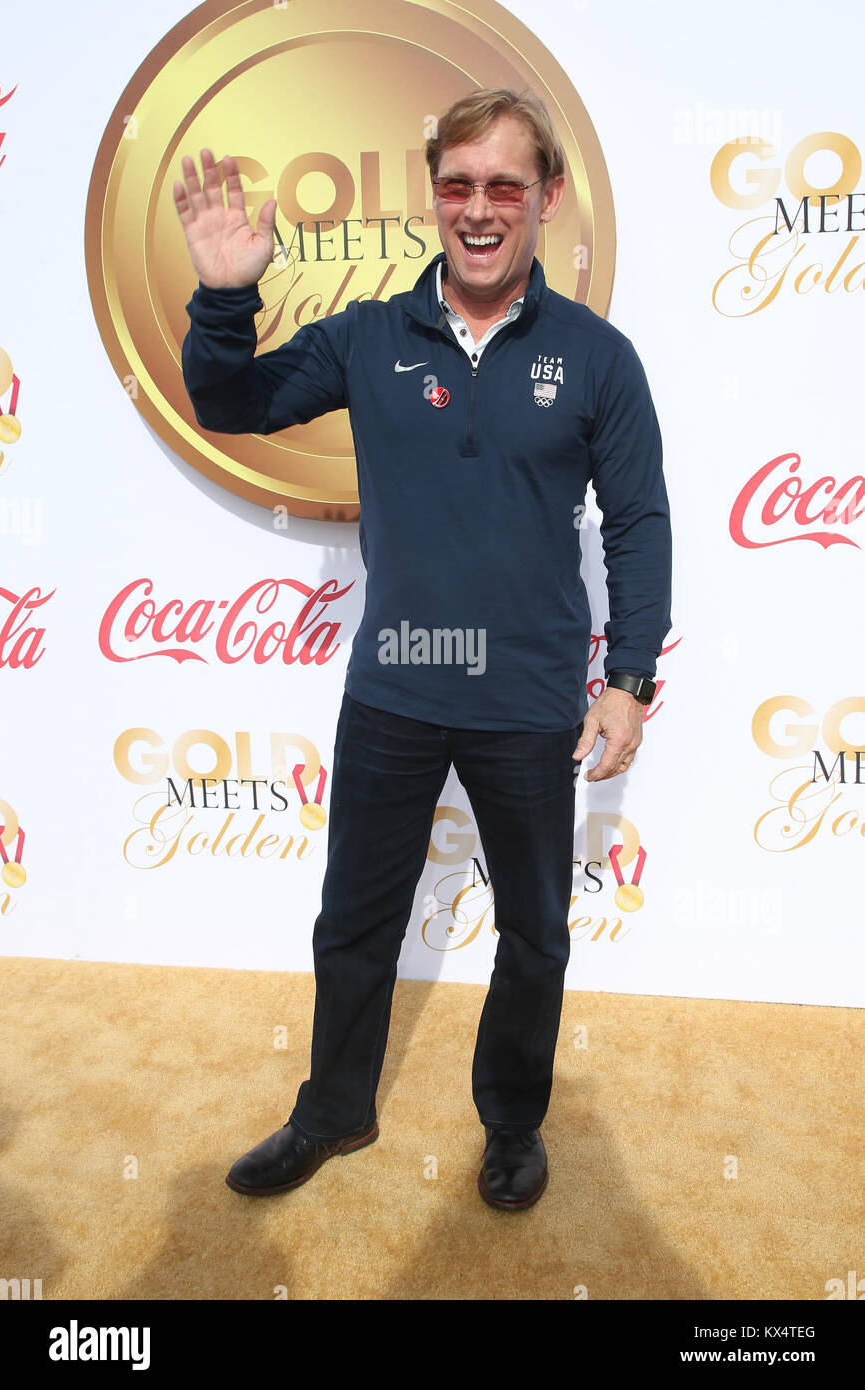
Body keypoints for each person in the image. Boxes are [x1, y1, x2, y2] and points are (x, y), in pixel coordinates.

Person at [175, 88, 672, 1211]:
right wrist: (222, 293)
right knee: (354, 916)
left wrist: (628, 678)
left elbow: (638, 521)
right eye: (458, 185)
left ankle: (510, 1124)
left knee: (535, 932)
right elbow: (230, 401)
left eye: (505, 185)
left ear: (545, 197)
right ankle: (334, 1109)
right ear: (432, 195)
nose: (480, 209)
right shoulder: (368, 336)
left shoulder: (597, 358)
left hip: (534, 692)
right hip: (395, 683)